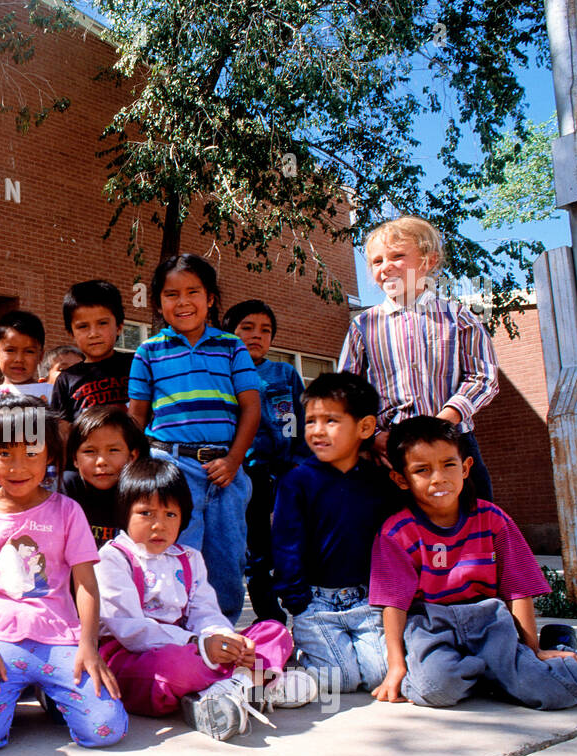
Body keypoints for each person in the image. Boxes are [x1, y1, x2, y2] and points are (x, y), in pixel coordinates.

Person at [370, 417, 577, 710]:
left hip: (489, 622)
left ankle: (557, 644)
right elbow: (394, 604)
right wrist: (396, 665)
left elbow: (517, 588)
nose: (438, 478)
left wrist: (533, 649)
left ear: (465, 467)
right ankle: (497, 674)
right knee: (435, 690)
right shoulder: (396, 532)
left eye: (449, 465)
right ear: (401, 479)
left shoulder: (493, 520)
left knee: (562, 690)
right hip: (431, 625)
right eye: (422, 470)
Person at [0, 396, 128, 752]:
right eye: (5, 454)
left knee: (105, 730)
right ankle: (15, 690)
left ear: (50, 455)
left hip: (61, 641)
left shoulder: (67, 511)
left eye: (31, 453)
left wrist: (89, 647)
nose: (18, 467)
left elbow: (87, 586)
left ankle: (50, 693)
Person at [96, 459, 316, 740]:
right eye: (146, 513)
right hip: (135, 658)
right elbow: (131, 631)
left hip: (197, 649)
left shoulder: (189, 558)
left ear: (184, 516)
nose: (158, 526)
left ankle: (228, 689)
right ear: (124, 512)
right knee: (178, 667)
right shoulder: (113, 559)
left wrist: (227, 640)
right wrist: (198, 645)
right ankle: (254, 681)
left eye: (170, 515)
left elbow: (205, 613)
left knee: (274, 630)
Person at [128, 253, 262, 625]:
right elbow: (137, 416)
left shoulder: (232, 347)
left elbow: (252, 409)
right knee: (175, 553)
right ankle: (176, 635)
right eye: (171, 294)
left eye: (193, 292)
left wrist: (234, 460)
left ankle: (222, 634)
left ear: (211, 298)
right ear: (158, 302)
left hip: (226, 471)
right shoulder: (148, 352)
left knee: (227, 555)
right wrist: (138, 467)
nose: (183, 302)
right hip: (171, 467)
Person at [337, 215, 499, 500]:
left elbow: (483, 378)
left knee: (474, 522)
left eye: (397, 256)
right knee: (395, 531)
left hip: (453, 441)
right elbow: (347, 391)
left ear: (428, 261)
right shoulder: (363, 326)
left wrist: (445, 420)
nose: (385, 267)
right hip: (391, 448)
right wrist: (372, 436)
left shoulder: (459, 317)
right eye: (376, 261)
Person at [272, 372, 401, 693]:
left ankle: (337, 652)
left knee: (380, 674)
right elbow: (287, 545)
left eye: (331, 420)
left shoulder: (379, 481)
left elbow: (396, 543)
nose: (317, 430)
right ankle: (299, 658)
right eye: (311, 421)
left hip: (367, 603)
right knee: (340, 681)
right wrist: (297, 601)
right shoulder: (297, 482)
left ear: (365, 427)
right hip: (316, 605)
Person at [222, 299, 310, 623]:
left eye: (265, 330)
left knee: (293, 545)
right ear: (228, 333)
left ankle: (305, 614)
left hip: (288, 472)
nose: (256, 335)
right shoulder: (224, 375)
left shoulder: (284, 373)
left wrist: (302, 464)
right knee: (256, 554)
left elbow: (303, 421)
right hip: (246, 475)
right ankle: (270, 619)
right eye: (247, 328)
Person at [50, 279, 133, 443]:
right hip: (88, 463)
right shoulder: (66, 380)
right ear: (71, 332)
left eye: (102, 323)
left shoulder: (136, 364)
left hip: (134, 459)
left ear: (119, 326)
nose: (93, 333)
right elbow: (64, 432)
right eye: (83, 326)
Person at [59, 404, 146, 548]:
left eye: (113, 450)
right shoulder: (67, 488)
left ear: (132, 456)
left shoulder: (140, 494)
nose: (101, 461)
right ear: (74, 458)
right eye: (89, 451)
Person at [0, 310, 51, 406]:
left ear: (40, 356)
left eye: (29, 351)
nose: (19, 359)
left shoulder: (53, 394)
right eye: (10, 350)